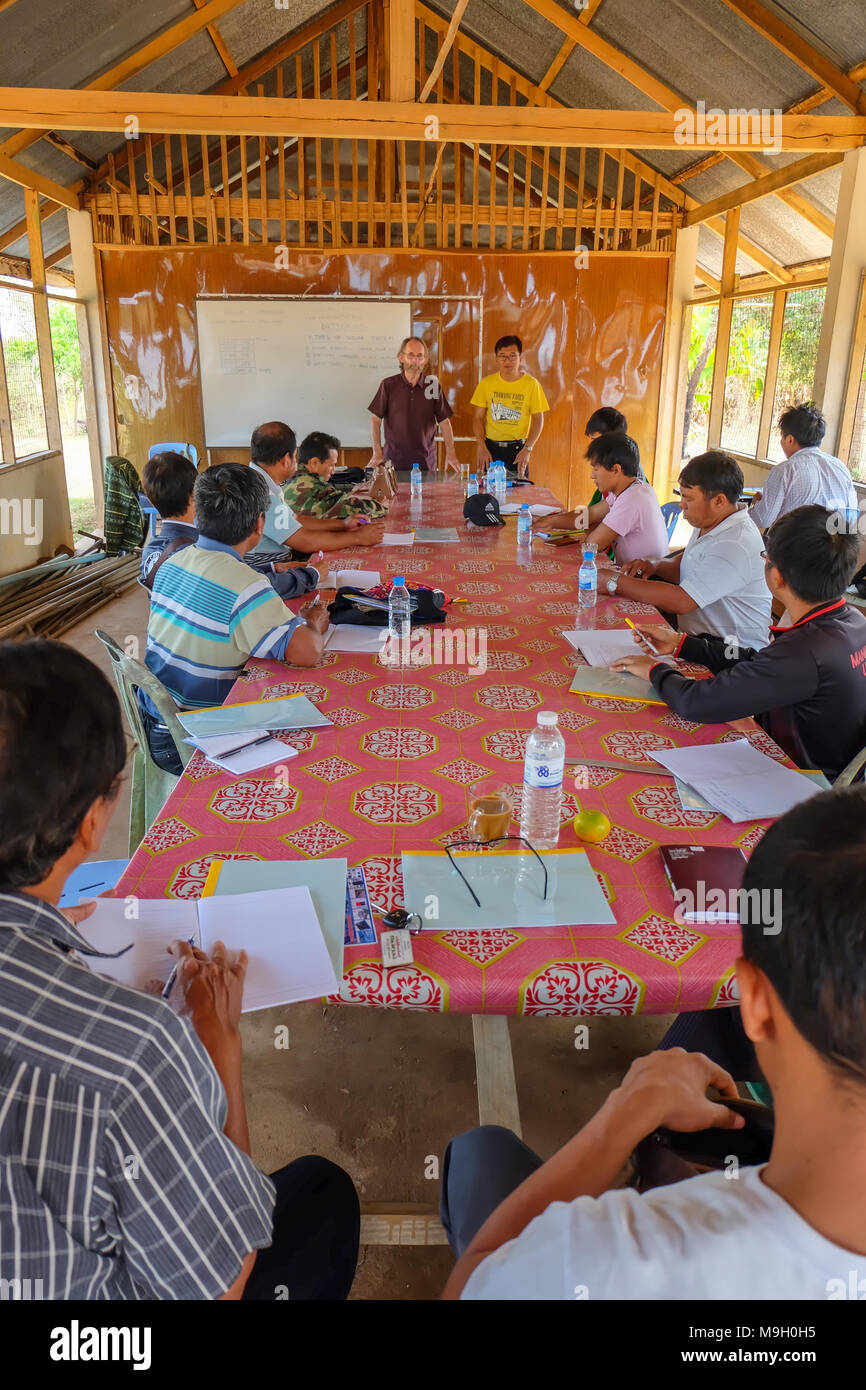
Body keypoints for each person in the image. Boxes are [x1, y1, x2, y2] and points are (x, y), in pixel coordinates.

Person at [0, 640, 360, 1300]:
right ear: (90, 825)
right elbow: (223, 1280)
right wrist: (221, 1047)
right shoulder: (134, 1050)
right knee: (322, 1194)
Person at [441, 785, 866, 1299]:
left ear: (752, 1000)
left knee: (481, 1149)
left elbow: (473, 1284)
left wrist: (620, 1118)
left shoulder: (622, 1261)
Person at [610, 505, 866, 781]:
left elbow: (695, 703)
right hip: (830, 765)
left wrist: (652, 670)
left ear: (777, 576)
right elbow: (758, 662)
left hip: (800, 782)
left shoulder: (804, 651)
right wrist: (682, 644)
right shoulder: (850, 620)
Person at [139, 464, 331, 775]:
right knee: (316, 743)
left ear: (198, 515)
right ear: (259, 525)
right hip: (195, 736)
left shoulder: (173, 562)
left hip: (157, 722)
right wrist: (314, 623)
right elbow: (307, 653)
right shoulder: (245, 585)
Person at [607, 450, 772, 652]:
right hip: (701, 642)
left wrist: (614, 581)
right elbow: (686, 566)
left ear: (719, 501)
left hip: (734, 654)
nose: (681, 504)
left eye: (688, 498)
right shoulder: (712, 521)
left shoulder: (734, 543)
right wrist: (655, 565)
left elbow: (682, 600)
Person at [140, 450, 325, 600]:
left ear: (150, 500)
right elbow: (253, 588)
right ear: (195, 494)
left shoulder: (151, 552)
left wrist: (271, 567)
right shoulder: (199, 551)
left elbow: (227, 575)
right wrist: (310, 575)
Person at [246, 421, 385, 559]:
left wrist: (343, 524)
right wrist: (358, 537)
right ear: (286, 459)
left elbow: (296, 520)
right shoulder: (264, 495)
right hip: (265, 569)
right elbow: (304, 540)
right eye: (295, 456)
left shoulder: (255, 481)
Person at [542, 433, 667, 565]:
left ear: (616, 470)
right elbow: (589, 514)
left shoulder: (632, 499)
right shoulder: (632, 487)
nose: (592, 475)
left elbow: (591, 546)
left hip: (646, 580)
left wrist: (591, 526)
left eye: (596, 469)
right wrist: (550, 521)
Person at [749, 402, 858, 531]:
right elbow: (851, 516)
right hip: (837, 547)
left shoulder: (784, 471)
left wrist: (756, 506)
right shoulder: (840, 467)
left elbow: (763, 520)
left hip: (795, 547)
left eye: (781, 437)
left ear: (790, 439)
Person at [368, 337, 458, 474]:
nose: (415, 360)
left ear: (425, 359)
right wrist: (377, 453)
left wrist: (451, 453)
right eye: (410, 355)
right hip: (393, 462)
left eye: (419, 356)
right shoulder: (388, 385)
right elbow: (375, 420)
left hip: (426, 463)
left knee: (427, 496)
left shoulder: (433, 386)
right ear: (401, 357)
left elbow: (444, 422)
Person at [471, 335, 549, 478]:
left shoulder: (532, 385)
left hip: (518, 451)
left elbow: (538, 419)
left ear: (521, 358)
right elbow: (477, 418)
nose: (507, 361)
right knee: (489, 495)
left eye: (513, 356)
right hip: (490, 450)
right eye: (502, 356)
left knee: (518, 494)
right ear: (496, 359)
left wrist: (528, 449)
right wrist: (481, 447)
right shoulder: (486, 384)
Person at [282, 431, 387, 523]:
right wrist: (379, 504)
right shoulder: (318, 489)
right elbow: (356, 509)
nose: (333, 471)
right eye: (331, 465)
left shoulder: (289, 481)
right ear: (314, 462)